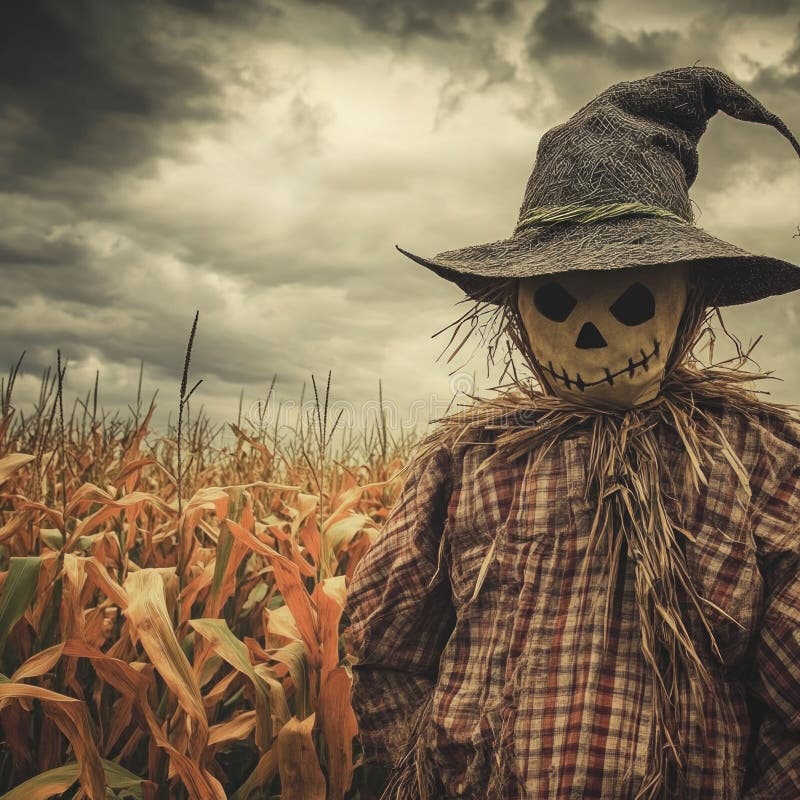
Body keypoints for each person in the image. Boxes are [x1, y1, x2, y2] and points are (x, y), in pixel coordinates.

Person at [345, 66, 800, 799]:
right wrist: (428, 774)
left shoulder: (757, 460)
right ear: (516, 312)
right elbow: (385, 648)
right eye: (556, 299)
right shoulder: (469, 462)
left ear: (691, 299)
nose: (589, 334)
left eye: (629, 299)